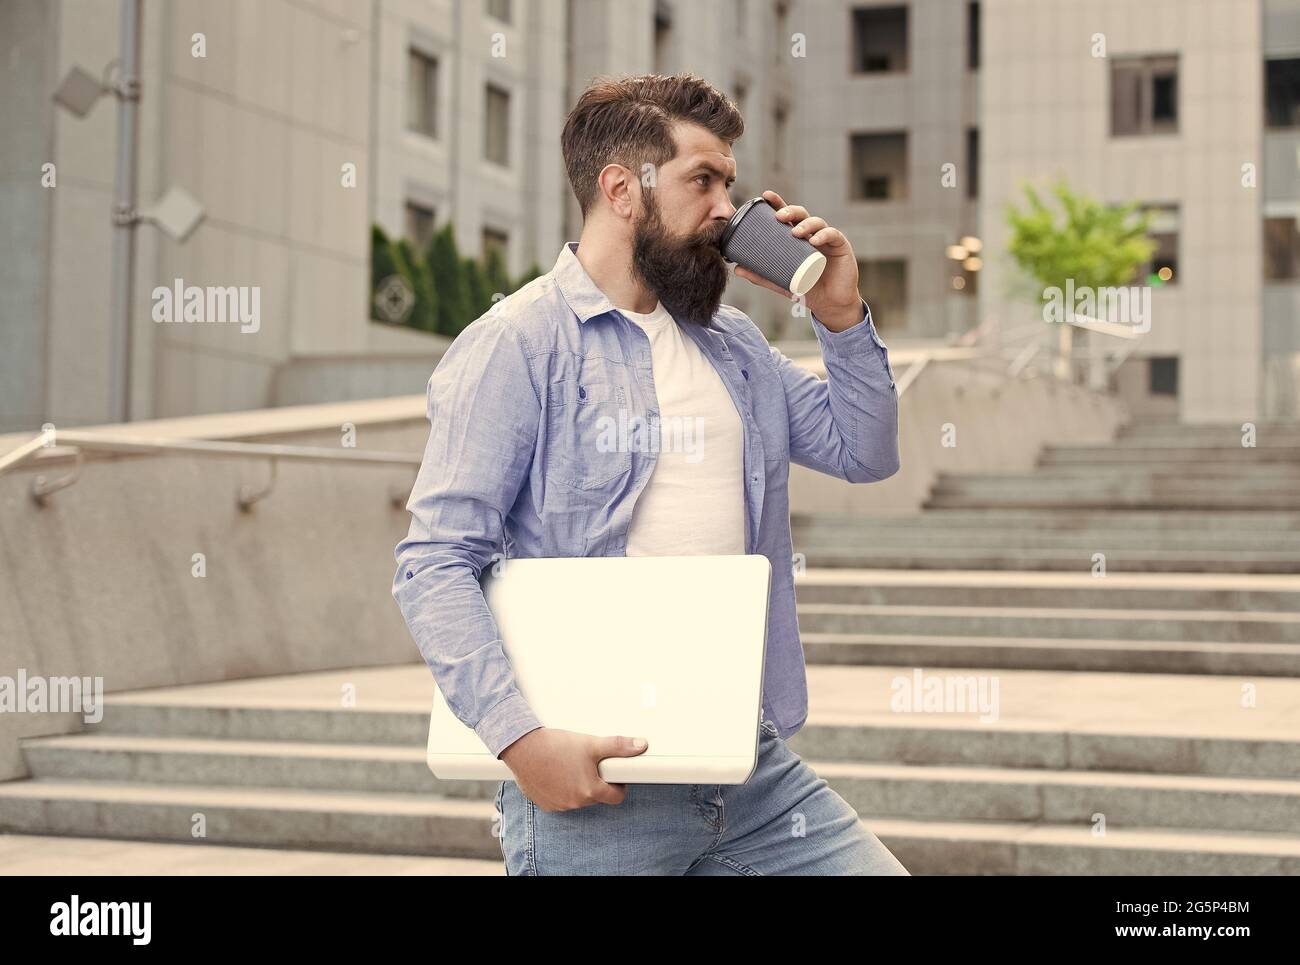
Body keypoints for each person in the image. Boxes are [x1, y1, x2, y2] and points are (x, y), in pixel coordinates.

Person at [393, 72, 907, 875]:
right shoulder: (518, 342)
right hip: (600, 783)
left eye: (729, 183)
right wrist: (520, 742)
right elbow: (434, 560)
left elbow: (864, 450)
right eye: (703, 180)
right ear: (621, 189)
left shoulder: (733, 345)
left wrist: (839, 314)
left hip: (750, 768)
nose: (727, 209)